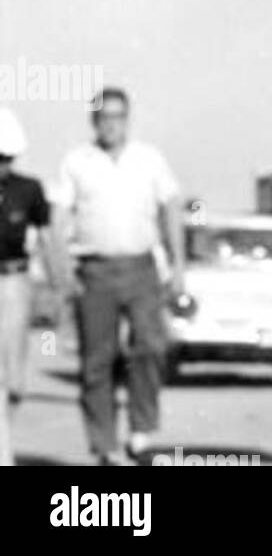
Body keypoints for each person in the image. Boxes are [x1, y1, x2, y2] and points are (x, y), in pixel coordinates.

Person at [51, 87, 185, 465]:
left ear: (128, 119)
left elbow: (172, 206)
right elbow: (58, 219)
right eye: (104, 117)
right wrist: (63, 274)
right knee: (98, 360)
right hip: (95, 271)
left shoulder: (149, 160)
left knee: (151, 347)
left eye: (118, 116)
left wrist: (178, 267)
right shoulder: (77, 162)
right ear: (94, 120)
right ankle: (105, 444)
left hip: (142, 268)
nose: (111, 124)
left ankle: (141, 432)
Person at [0, 108, 65, 467]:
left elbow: (47, 240)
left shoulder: (29, 190)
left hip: (14, 285)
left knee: (14, 381)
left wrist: (57, 286)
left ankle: (4, 430)